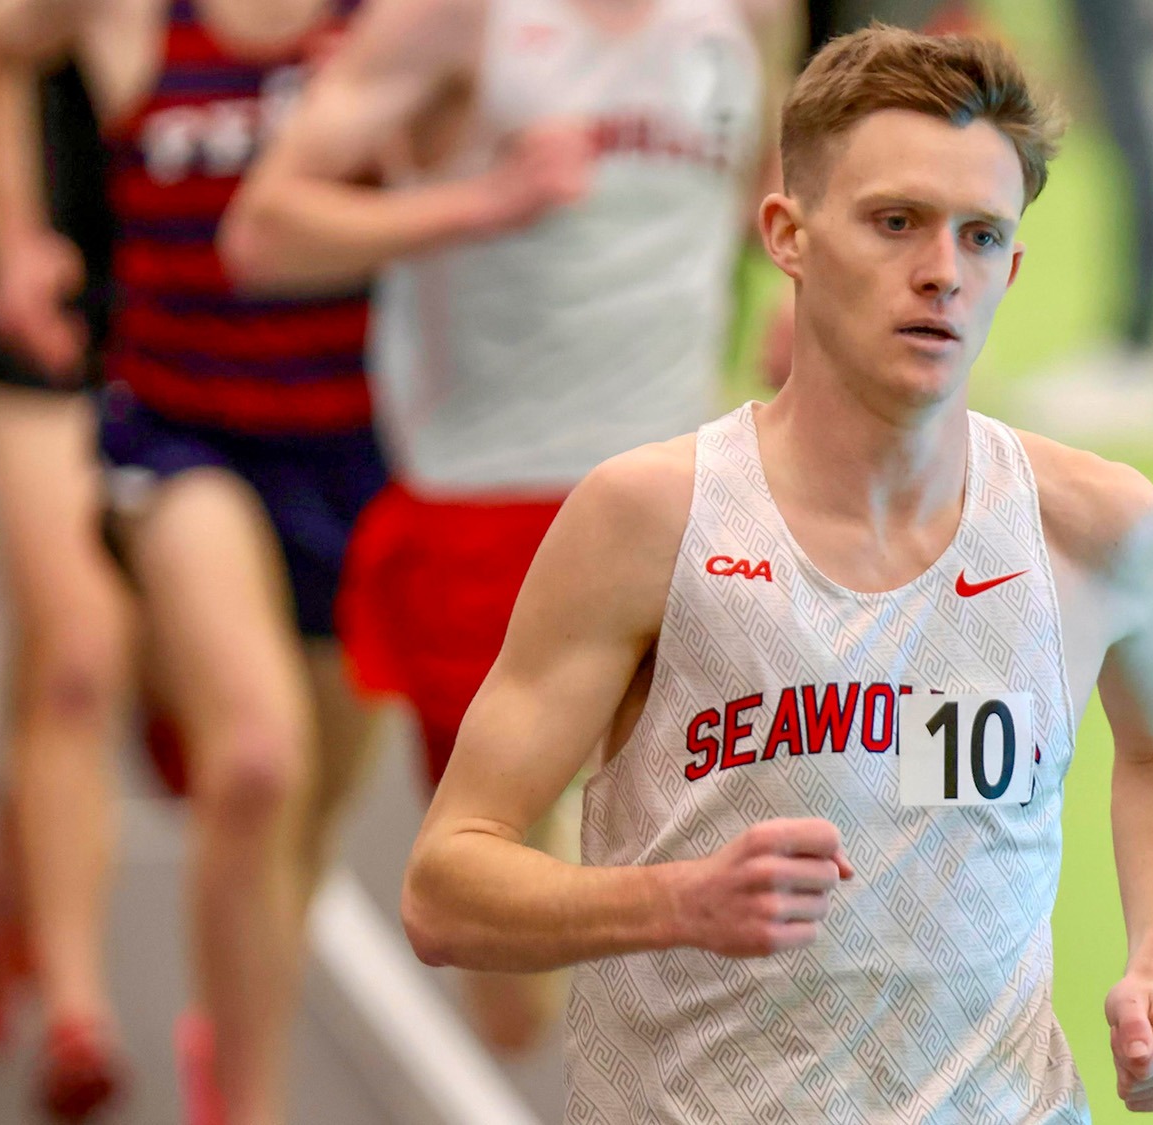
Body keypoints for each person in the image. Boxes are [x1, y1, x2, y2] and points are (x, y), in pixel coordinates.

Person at [404, 26, 1153, 1120]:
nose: (941, 269)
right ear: (787, 235)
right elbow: (444, 888)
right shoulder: (652, 517)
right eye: (895, 223)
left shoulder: (1090, 527)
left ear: (1012, 266)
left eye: (981, 236)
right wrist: (673, 902)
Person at [221, 0, 796, 1049]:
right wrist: (480, 201)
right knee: (500, 969)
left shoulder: (746, 14)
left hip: (678, 485)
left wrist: (804, 288)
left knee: (703, 892)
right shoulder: (453, 20)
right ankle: (243, 1036)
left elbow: (769, 167)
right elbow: (262, 233)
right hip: (482, 496)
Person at [0, 0, 388, 1120]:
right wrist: (16, 237)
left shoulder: (408, 16)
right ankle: (235, 1099)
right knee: (253, 760)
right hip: (180, 426)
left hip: (360, 447)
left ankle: (232, 1027)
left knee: (306, 814)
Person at [0, 42, 137, 1114]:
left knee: (129, 669)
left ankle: (18, 821)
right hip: (57, 324)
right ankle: (78, 1014)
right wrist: (15, 236)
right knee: (77, 655)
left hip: (207, 338)